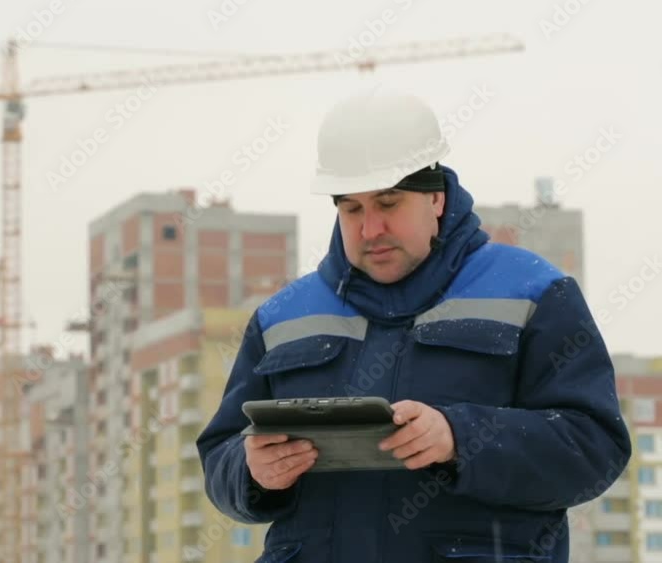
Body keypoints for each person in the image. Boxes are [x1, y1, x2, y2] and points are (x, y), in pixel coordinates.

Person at [195, 87, 631, 563]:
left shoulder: (532, 293)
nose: (370, 229)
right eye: (352, 208)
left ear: (436, 199)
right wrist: (251, 472)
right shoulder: (283, 317)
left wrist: (460, 436)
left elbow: (594, 448)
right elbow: (221, 452)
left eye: (388, 203)